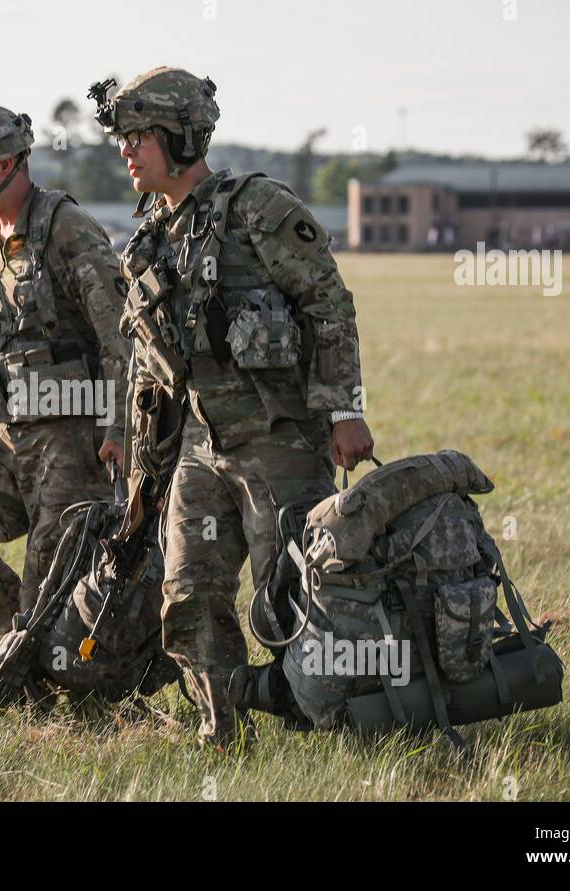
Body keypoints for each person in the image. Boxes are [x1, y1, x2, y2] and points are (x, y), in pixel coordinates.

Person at [91, 68, 375, 749]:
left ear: (182, 137)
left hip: (277, 438)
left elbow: (327, 303)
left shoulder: (257, 208)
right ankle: (222, 728)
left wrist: (343, 409)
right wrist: (135, 455)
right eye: (123, 139)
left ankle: (331, 720)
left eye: (140, 138)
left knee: (295, 592)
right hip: (197, 443)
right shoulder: (149, 240)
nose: (127, 152)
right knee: (189, 591)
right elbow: (147, 366)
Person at [0, 104, 131, 635]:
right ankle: (28, 645)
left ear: (6, 160)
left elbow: (122, 337)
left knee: (53, 586)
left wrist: (121, 430)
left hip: (75, 442)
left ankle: (58, 664)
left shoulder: (68, 229)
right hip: (9, 433)